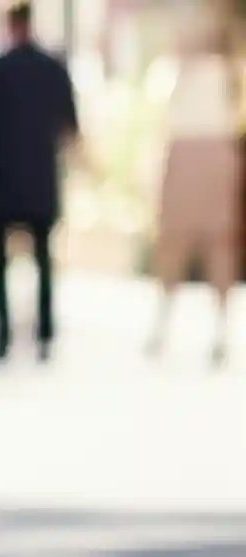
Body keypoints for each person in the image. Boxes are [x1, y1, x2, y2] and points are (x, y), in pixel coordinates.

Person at [0, 2, 80, 362]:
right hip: (41, 179)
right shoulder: (53, 70)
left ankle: (3, 336)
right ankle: (44, 335)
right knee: (43, 260)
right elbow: (72, 132)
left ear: (9, 27)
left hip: (2, 179)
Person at [148, 8, 241, 366]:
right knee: (175, 243)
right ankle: (164, 324)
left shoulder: (228, 71)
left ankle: (219, 331)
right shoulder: (179, 69)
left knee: (216, 245)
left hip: (210, 155)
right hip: (191, 154)